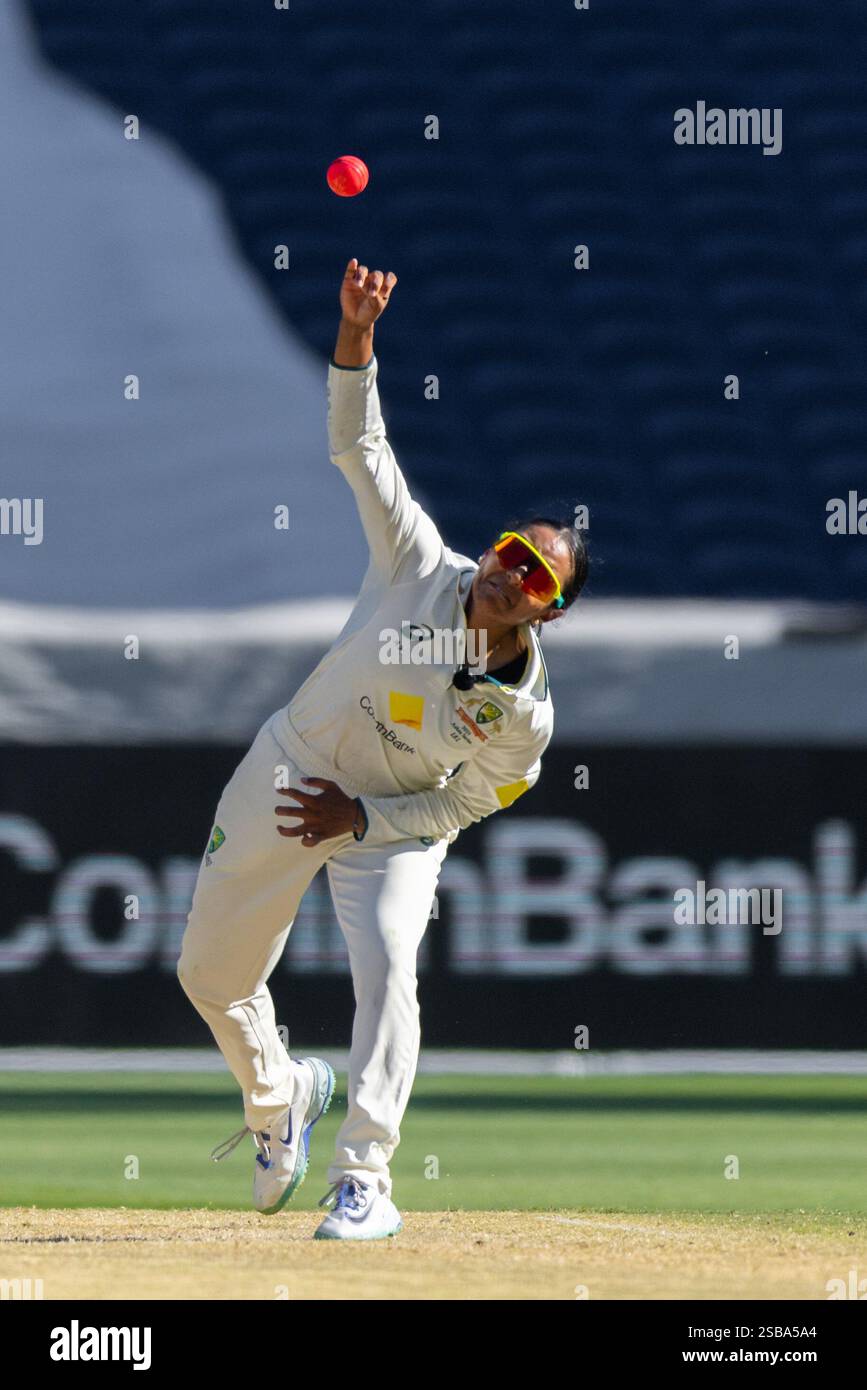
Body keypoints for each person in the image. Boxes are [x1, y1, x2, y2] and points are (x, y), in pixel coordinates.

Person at [177, 256, 589, 1240]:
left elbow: (464, 805)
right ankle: (279, 1098)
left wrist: (367, 819)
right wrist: (357, 335)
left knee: (389, 967)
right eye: (510, 550)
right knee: (209, 974)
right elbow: (359, 446)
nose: (509, 571)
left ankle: (365, 1180)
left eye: (535, 575)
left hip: (393, 829)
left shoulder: (525, 720)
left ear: (550, 609)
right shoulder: (417, 560)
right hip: (292, 769)